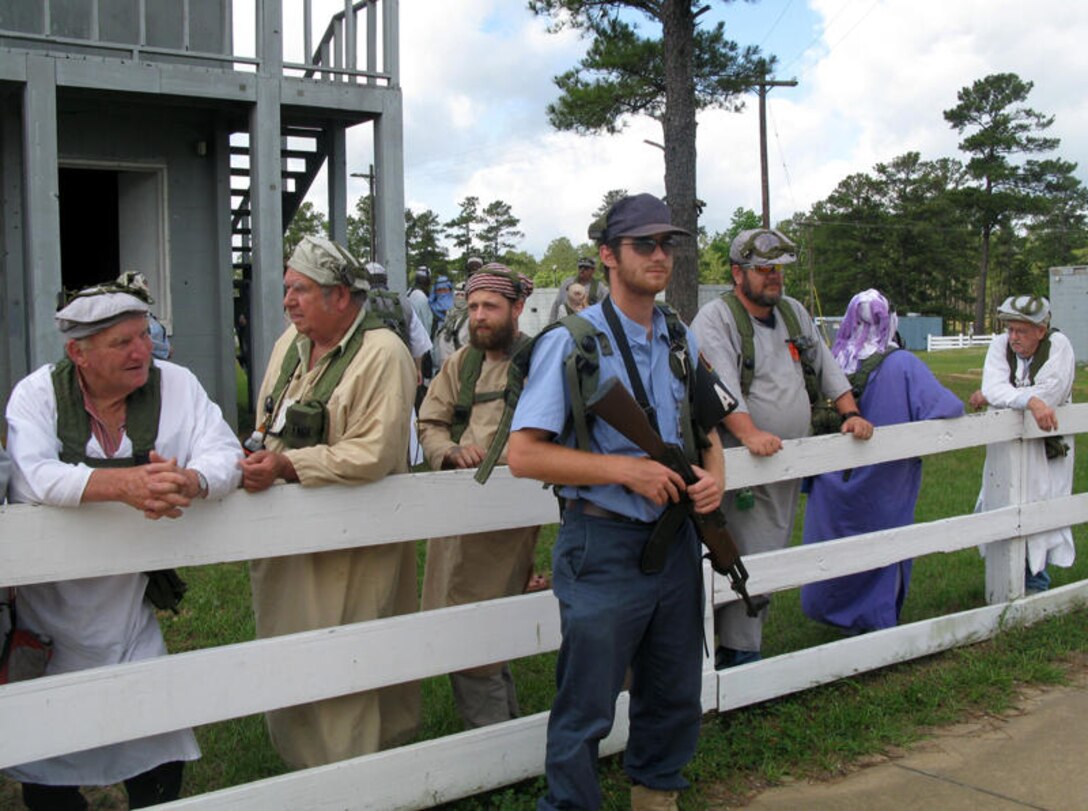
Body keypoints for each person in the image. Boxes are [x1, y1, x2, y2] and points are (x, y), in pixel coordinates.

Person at [507, 193, 725, 811]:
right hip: (603, 544)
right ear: (608, 256)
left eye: (668, 245)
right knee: (587, 705)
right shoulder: (574, 341)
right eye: (644, 245)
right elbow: (524, 454)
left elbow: (708, 432)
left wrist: (714, 479)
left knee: (674, 689)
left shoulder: (678, 336)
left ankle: (657, 798)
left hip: (675, 542)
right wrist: (623, 472)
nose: (660, 256)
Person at [3, 271, 242, 809]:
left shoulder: (175, 384)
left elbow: (224, 453)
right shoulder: (36, 393)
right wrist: (126, 484)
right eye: (123, 343)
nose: (143, 351)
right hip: (50, 608)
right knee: (49, 741)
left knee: (153, 732)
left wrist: (191, 481)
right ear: (79, 354)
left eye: (144, 334)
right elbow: (35, 475)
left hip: (128, 606)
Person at [240, 235, 420, 768]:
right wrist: (257, 456)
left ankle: (356, 778)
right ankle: (304, 772)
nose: (288, 301)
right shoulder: (286, 345)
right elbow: (265, 424)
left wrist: (289, 465)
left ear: (341, 296)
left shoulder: (383, 352)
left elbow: (374, 452)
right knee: (290, 647)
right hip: (289, 535)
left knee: (350, 653)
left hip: (352, 543)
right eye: (288, 289)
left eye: (301, 290)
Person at [690, 228, 874, 668]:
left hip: (785, 465)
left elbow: (825, 366)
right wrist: (750, 432)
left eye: (778, 269)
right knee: (738, 554)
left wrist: (850, 412)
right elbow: (718, 388)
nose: (774, 277)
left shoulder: (793, 313)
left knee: (767, 550)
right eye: (763, 269)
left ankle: (734, 653)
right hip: (736, 465)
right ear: (738, 273)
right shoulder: (716, 319)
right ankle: (734, 658)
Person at [418, 263, 541, 729]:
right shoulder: (460, 363)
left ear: (517, 308)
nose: (480, 316)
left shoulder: (540, 361)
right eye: (472, 306)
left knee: (478, 640)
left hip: (508, 520)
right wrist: (448, 451)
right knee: (463, 630)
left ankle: (496, 754)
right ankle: (506, 739)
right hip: (454, 523)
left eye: (490, 306)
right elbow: (429, 423)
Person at [800, 289, 964, 633]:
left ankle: (833, 616)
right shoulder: (902, 363)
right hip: (883, 484)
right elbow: (947, 407)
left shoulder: (833, 362)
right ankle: (875, 622)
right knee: (884, 550)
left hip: (832, 482)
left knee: (834, 550)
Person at [970, 294, 1076, 593]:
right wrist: (1027, 399)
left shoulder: (1058, 346)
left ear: (1041, 331)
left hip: (1047, 446)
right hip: (1006, 446)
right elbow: (994, 386)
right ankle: (1005, 581)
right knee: (1000, 500)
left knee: (1040, 506)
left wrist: (1005, 396)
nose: (1014, 337)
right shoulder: (1000, 345)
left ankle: (1034, 586)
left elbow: (1050, 394)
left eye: (1022, 331)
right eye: (1011, 330)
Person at [548, 255, 609, 322]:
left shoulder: (600, 288)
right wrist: (551, 324)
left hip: (590, 324)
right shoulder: (567, 283)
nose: (582, 270)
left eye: (586, 268)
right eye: (580, 267)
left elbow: (604, 311)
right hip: (568, 322)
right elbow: (557, 304)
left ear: (593, 270)